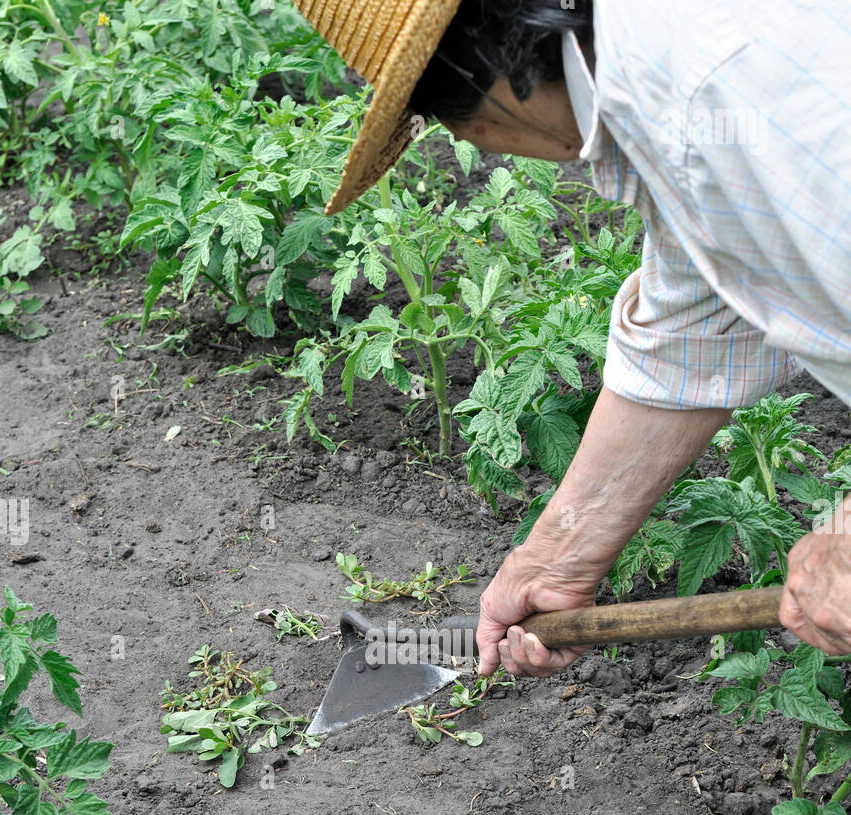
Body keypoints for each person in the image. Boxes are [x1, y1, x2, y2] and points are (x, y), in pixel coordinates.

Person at [292, 0, 851, 676]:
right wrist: (556, 555)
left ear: (483, 74)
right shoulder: (664, 75)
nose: (476, 145)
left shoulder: (726, 78)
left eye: (453, 126)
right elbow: (696, 330)